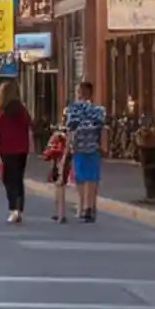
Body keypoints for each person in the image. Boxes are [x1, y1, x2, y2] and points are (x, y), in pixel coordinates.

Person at [0, 80, 33, 224]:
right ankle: (18, 208)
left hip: (6, 149)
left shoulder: (1, 112)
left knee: (8, 179)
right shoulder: (21, 110)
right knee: (18, 178)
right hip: (22, 148)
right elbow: (28, 125)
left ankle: (13, 208)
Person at [66, 81, 106, 222]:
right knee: (92, 178)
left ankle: (82, 206)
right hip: (93, 146)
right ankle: (91, 206)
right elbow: (102, 129)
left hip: (79, 147)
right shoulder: (98, 110)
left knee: (80, 178)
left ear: (79, 93)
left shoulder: (73, 109)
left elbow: (70, 129)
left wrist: (67, 147)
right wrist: (102, 146)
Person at [42, 127, 72, 223]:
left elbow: (49, 151)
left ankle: (60, 214)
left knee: (59, 187)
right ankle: (59, 213)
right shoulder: (64, 137)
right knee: (59, 186)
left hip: (60, 162)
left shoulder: (59, 137)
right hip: (61, 162)